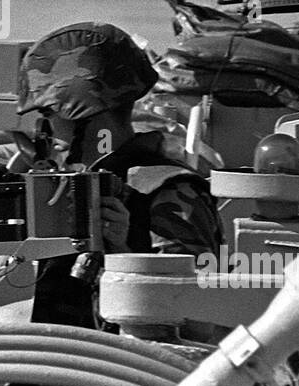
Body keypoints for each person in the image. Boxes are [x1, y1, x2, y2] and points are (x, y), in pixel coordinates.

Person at [13, 22, 223, 328]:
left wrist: (121, 252)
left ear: (84, 116)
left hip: (122, 368)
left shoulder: (170, 193)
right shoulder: (67, 185)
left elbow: (194, 322)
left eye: (49, 115)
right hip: (55, 361)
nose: (44, 129)